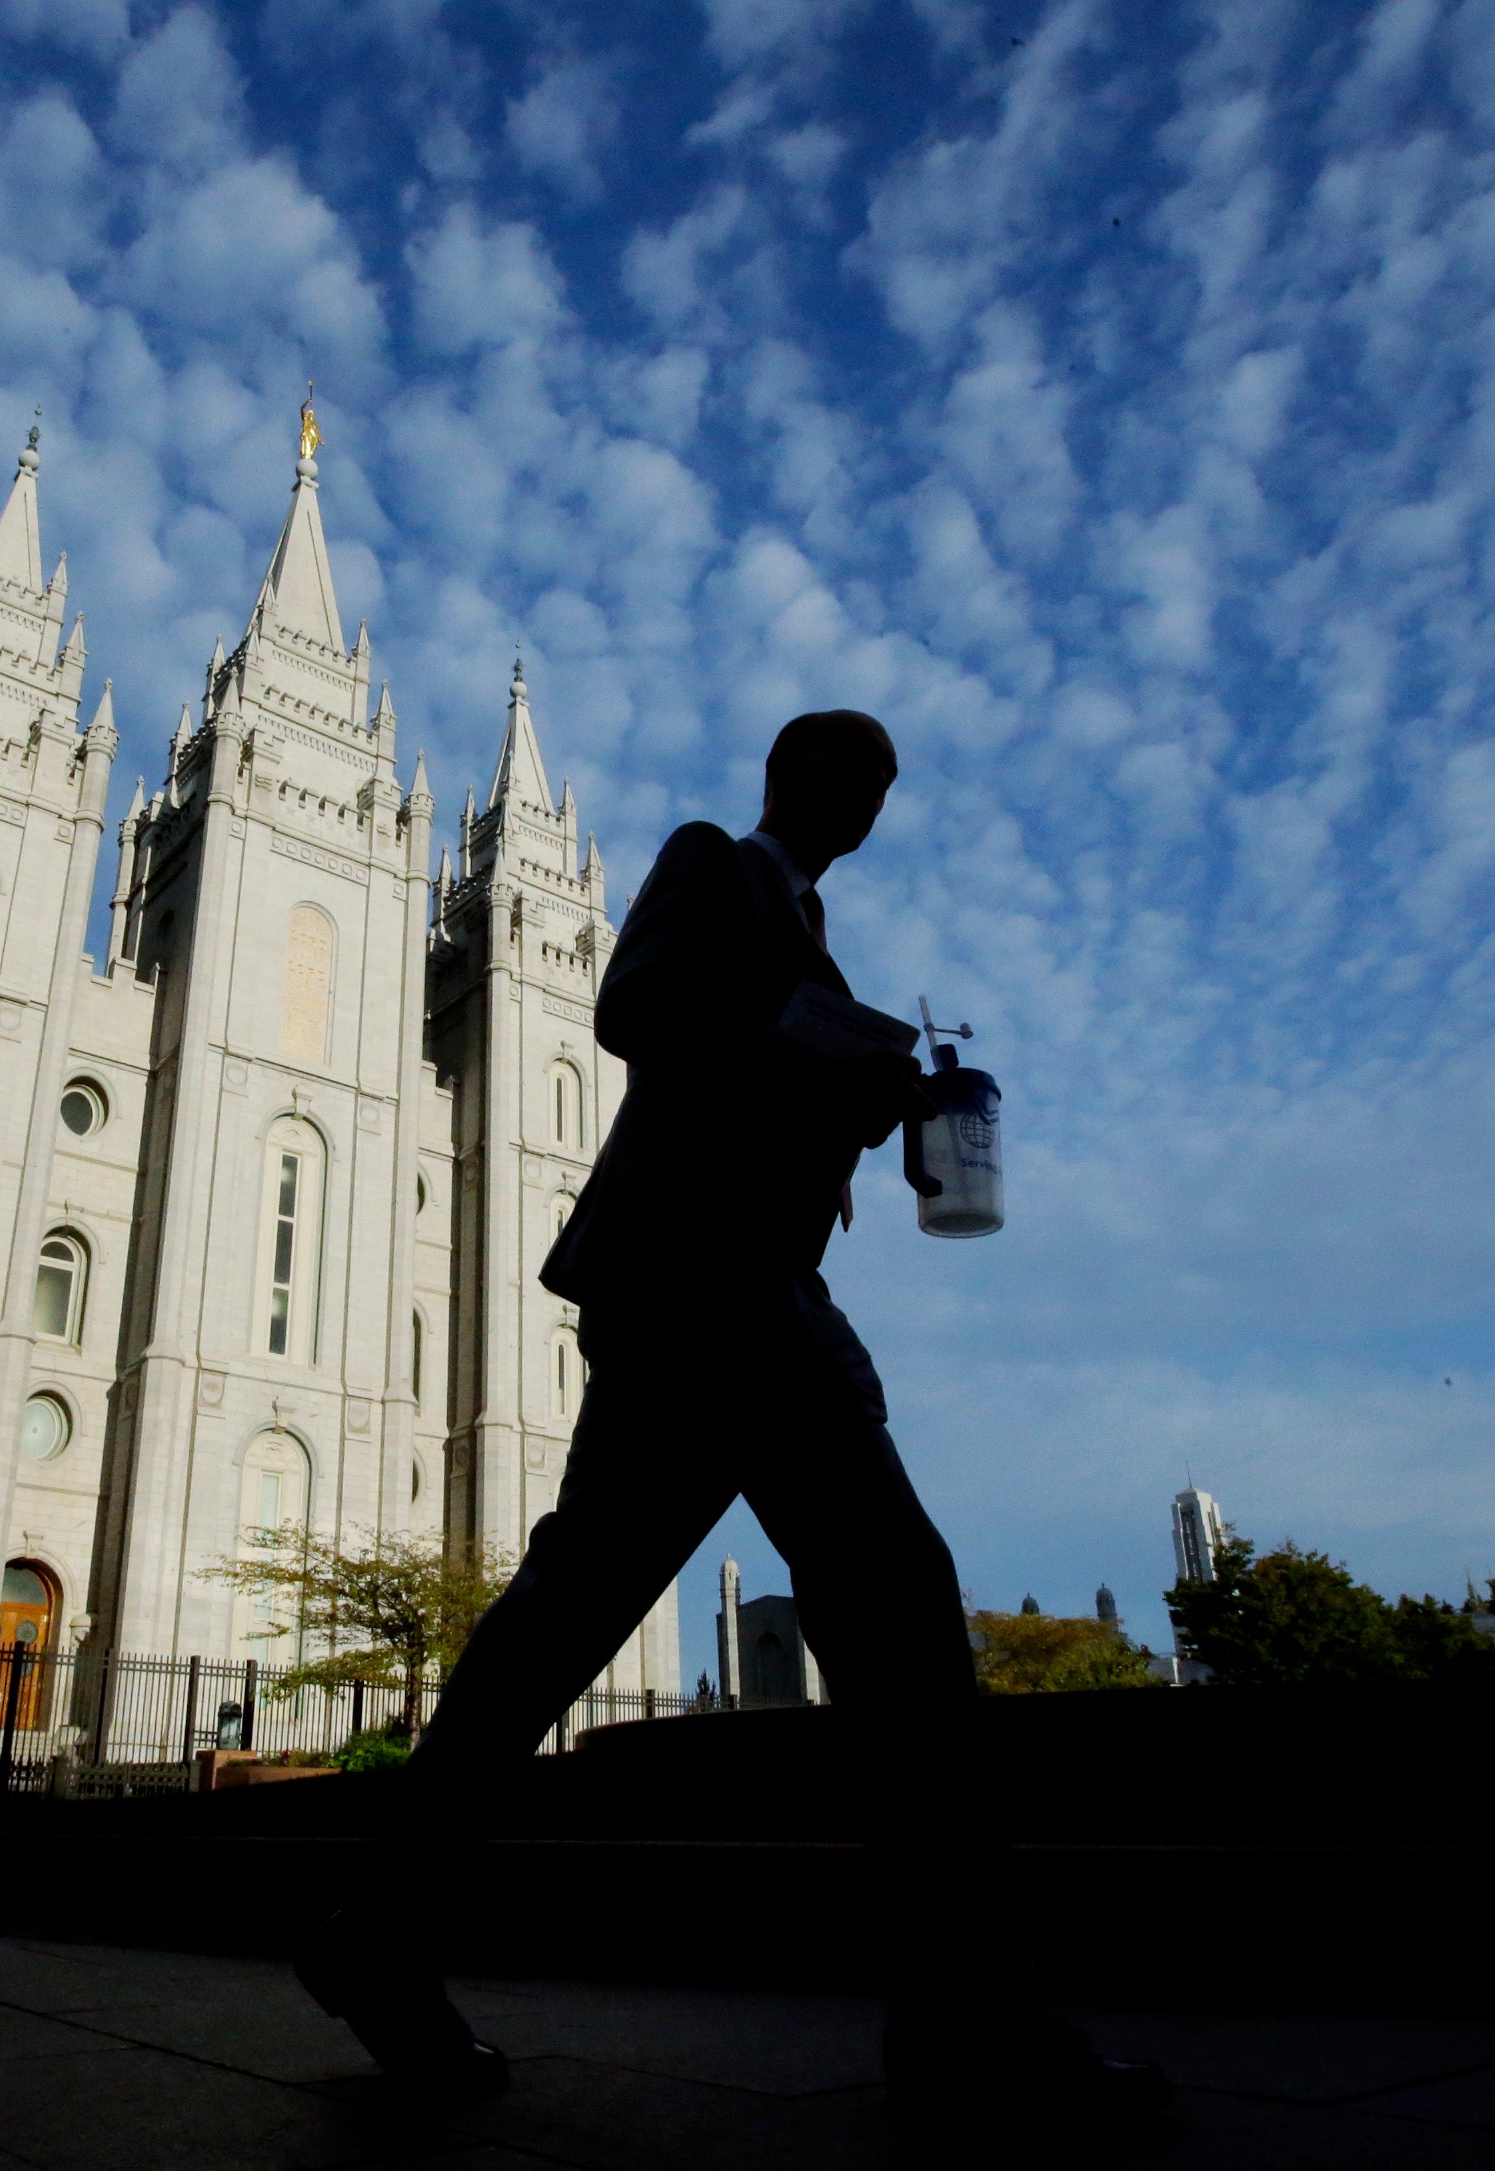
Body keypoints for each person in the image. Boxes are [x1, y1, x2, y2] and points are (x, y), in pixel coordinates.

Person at [296, 710, 1171, 2149]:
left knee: (564, 1623)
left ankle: (379, 1930)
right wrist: (819, 1069)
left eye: (878, 776)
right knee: (893, 1603)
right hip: (712, 1295)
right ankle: (967, 2016)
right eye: (839, 764)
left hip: (731, 1293)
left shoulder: (815, 945)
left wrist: (870, 1120)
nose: (859, 790)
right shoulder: (718, 863)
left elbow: (760, 1085)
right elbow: (635, 1008)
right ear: (785, 775)